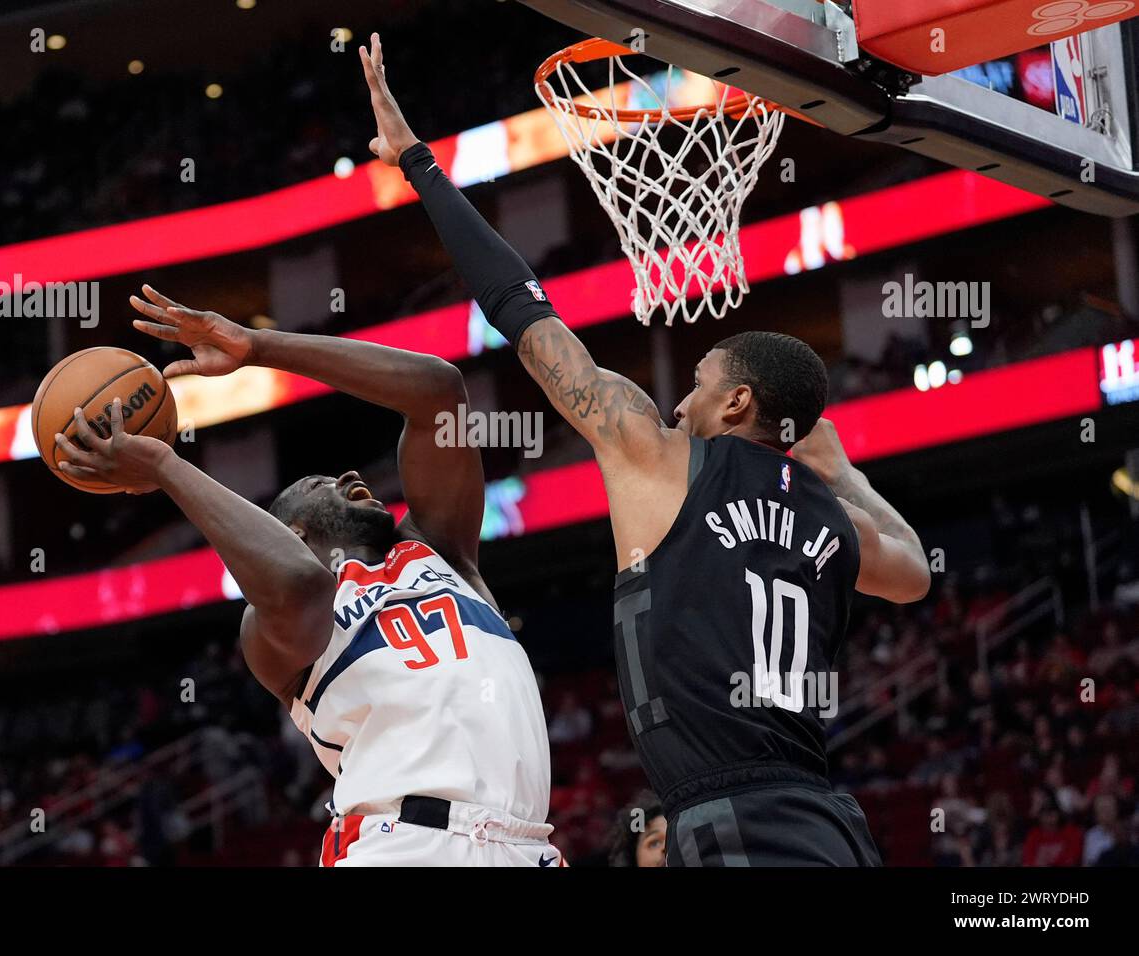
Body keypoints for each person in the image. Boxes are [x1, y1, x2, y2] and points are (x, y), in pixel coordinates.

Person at [359, 33, 930, 866]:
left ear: (737, 401)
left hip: (730, 816)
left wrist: (418, 162)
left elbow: (518, 306)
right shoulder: (838, 521)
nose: (680, 396)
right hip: (827, 820)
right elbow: (914, 570)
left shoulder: (658, 453)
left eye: (699, 380)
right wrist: (843, 472)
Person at [57, 285, 559, 867]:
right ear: (293, 535)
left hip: (528, 848)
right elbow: (298, 585)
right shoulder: (272, 633)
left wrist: (258, 346)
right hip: (409, 845)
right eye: (320, 485)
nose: (348, 473)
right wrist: (167, 465)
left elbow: (439, 393)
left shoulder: (443, 552)